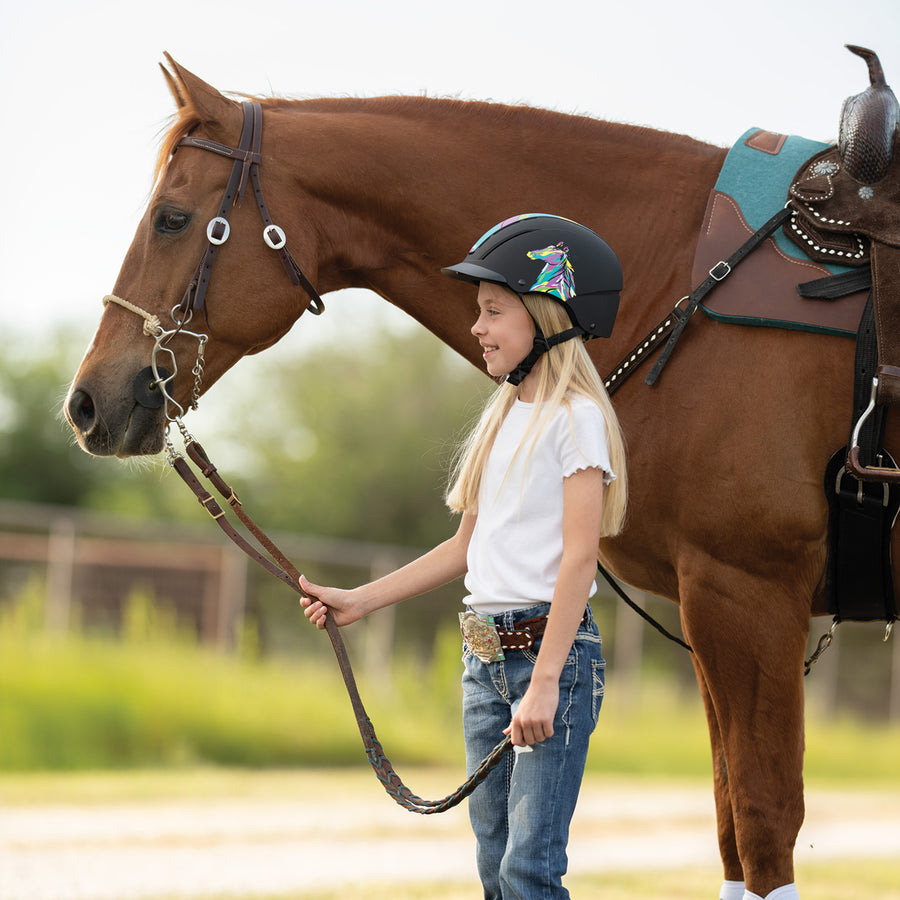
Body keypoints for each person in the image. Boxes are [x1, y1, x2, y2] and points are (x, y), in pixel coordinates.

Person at [300, 213, 628, 900]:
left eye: (493, 311)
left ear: (545, 317)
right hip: (483, 663)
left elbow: (579, 560)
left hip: (549, 661)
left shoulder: (577, 420)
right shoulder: (502, 416)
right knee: (493, 866)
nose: (477, 327)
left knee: (528, 871)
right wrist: (359, 601)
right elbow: (464, 549)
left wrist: (544, 682)